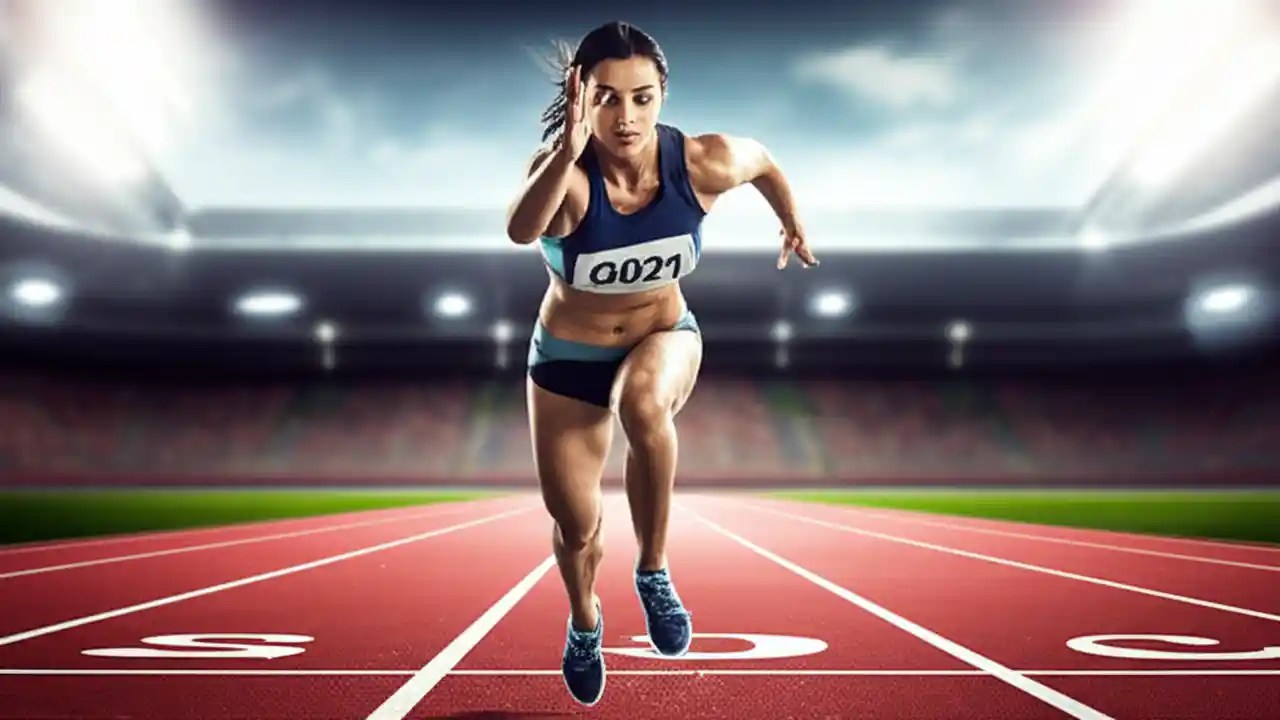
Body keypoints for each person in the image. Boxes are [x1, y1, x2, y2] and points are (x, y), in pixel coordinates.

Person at [505, 20, 819, 707]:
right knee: (576, 525)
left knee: (642, 403)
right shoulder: (568, 179)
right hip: (567, 361)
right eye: (608, 98)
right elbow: (522, 229)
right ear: (584, 96)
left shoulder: (698, 162)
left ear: (663, 94)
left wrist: (790, 220)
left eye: (643, 98)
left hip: (664, 333)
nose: (627, 117)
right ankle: (585, 619)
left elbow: (763, 158)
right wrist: (566, 151)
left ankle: (654, 572)